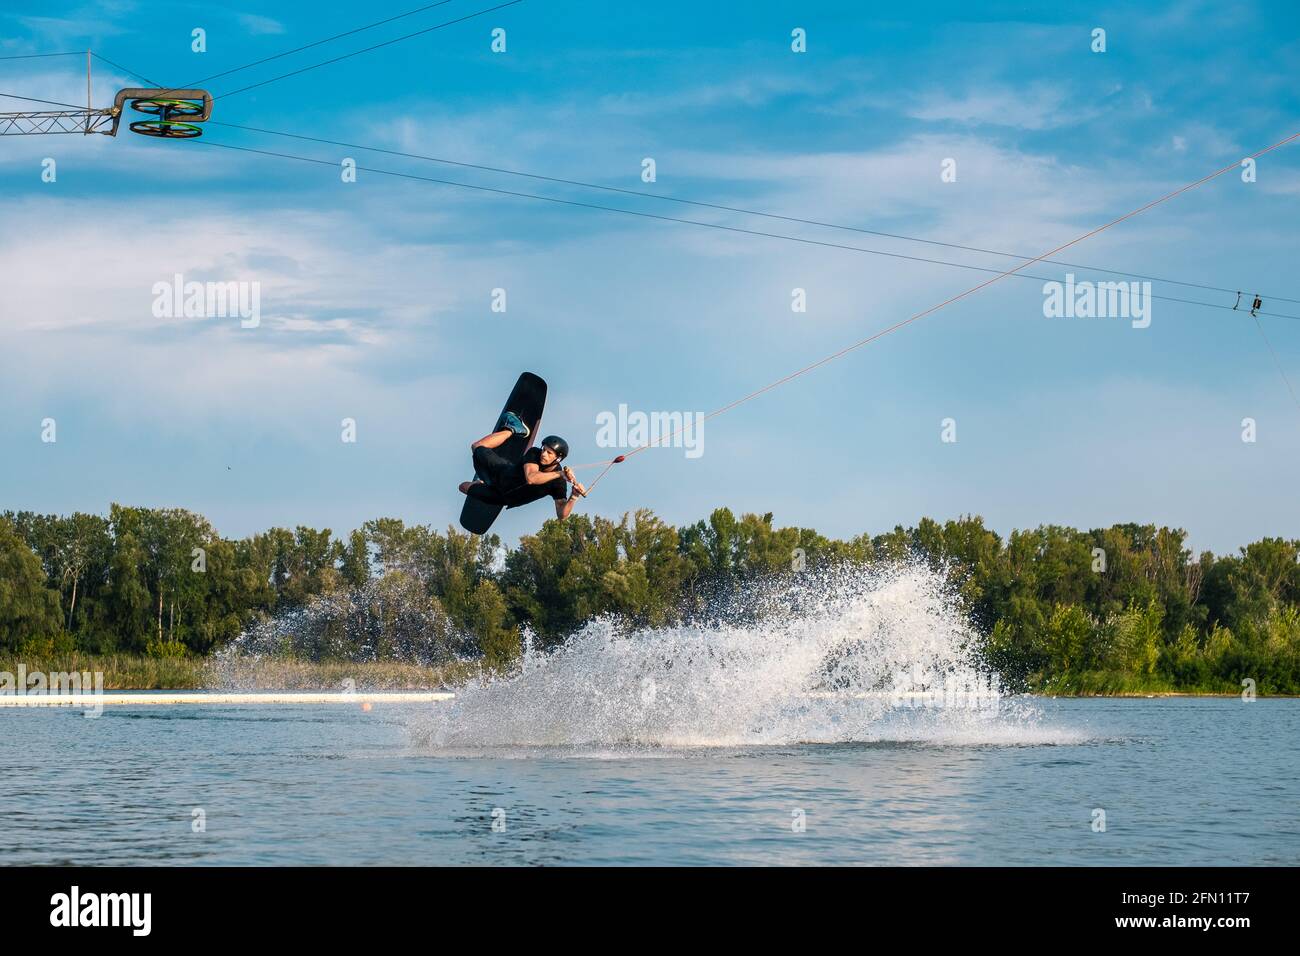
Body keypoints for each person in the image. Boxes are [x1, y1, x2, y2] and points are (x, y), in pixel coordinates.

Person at [458, 412, 587, 519]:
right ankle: (514, 429)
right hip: (501, 473)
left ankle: (482, 481)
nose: (544, 454)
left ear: (558, 458)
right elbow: (531, 478)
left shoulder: (558, 483)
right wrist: (560, 474)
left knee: (463, 487)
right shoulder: (535, 454)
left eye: (549, 453)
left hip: (502, 497)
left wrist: (573, 496)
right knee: (477, 447)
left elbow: (561, 515)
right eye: (544, 449)